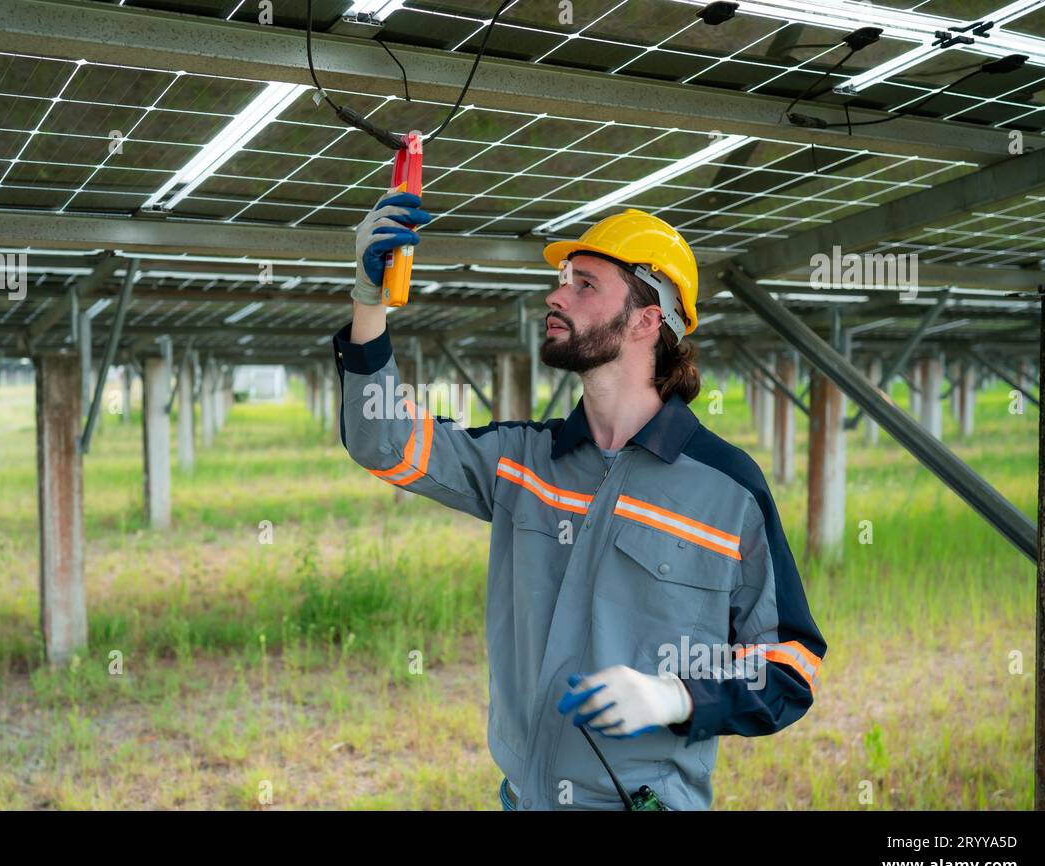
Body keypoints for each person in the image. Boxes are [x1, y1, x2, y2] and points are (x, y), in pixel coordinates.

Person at [330, 190, 826, 810]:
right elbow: (384, 441)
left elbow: (790, 665)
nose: (555, 297)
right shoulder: (523, 460)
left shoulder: (728, 490)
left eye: (585, 285)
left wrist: (678, 697)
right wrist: (369, 302)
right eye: (563, 281)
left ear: (647, 320)